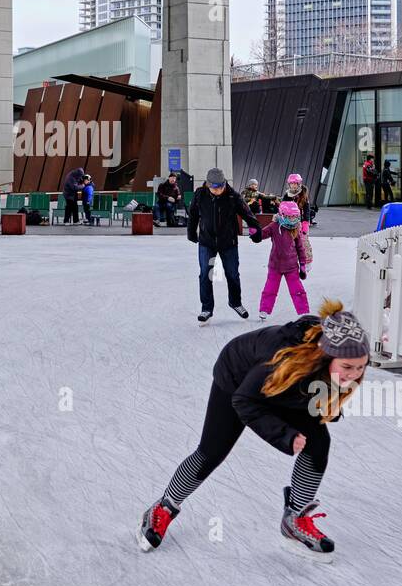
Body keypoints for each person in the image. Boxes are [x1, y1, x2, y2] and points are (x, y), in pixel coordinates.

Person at [137, 301, 369, 561]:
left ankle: (295, 518)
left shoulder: (331, 366)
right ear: (326, 355)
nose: (354, 374)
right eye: (348, 367)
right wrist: (284, 434)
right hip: (237, 379)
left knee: (318, 442)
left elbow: (319, 395)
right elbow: (244, 401)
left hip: (287, 385)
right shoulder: (284, 360)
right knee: (211, 452)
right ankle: (163, 507)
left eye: (361, 367)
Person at [187, 167, 261, 325]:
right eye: (215, 187)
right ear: (208, 185)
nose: (219, 190)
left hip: (228, 243)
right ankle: (206, 308)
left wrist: (256, 231)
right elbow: (193, 214)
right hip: (207, 242)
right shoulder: (200, 194)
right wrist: (191, 233)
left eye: (221, 186)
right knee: (206, 273)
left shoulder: (233, 196)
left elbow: (247, 214)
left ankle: (235, 302)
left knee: (232, 274)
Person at [255, 200, 310, 321]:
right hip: (275, 266)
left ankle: (303, 311)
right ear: (282, 215)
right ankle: (265, 309)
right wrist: (255, 232)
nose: (292, 219)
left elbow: (300, 248)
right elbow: (262, 234)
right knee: (270, 289)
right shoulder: (275, 226)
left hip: (291, 267)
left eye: (295, 216)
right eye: (290, 217)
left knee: (298, 290)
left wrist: (302, 265)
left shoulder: (295, 228)